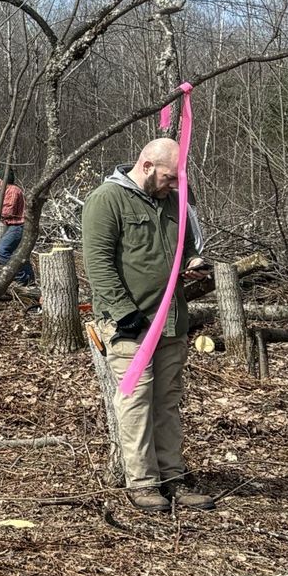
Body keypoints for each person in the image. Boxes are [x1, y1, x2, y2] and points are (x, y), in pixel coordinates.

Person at [82, 137, 208, 514]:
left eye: (178, 180)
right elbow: (98, 264)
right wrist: (125, 315)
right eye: (170, 177)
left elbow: (186, 248)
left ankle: (173, 477)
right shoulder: (106, 200)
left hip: (171, 321)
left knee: (167, 403)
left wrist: (195, 265)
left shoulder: (174, 202)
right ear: (147, 165)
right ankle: (142, 483)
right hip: (129, 327)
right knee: (135, 402)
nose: (174, 185)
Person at [0, 173, 35, 285]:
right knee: (18, 254)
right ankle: (29, 280)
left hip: (18, 226)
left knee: (1, 252)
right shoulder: (11, 190)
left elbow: (8, 212)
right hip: (17, 226)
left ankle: (21, 278)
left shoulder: (12, 190)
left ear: (3, 180)